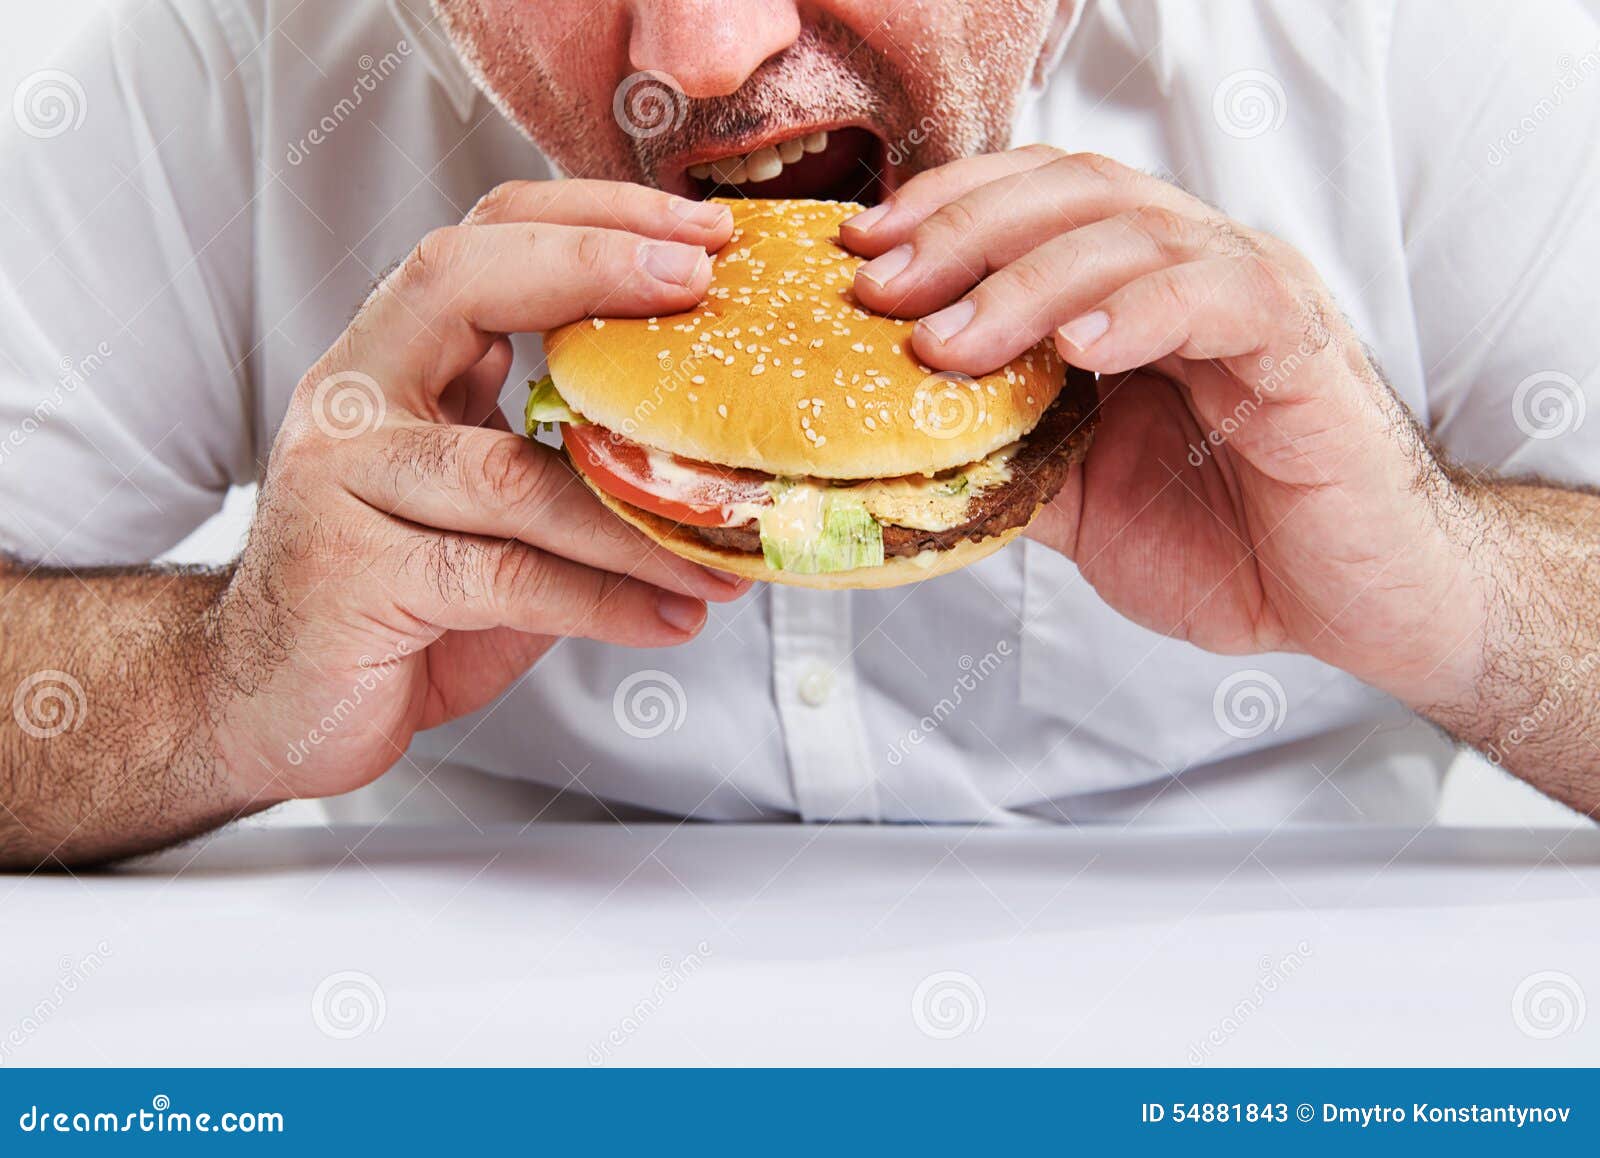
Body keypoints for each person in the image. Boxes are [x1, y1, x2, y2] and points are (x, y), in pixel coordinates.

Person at [2, 0, 1597, 868]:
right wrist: (214, 681)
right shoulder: (232, 64)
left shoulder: (1410, 44)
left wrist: (1462, 599)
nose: (699, 49)